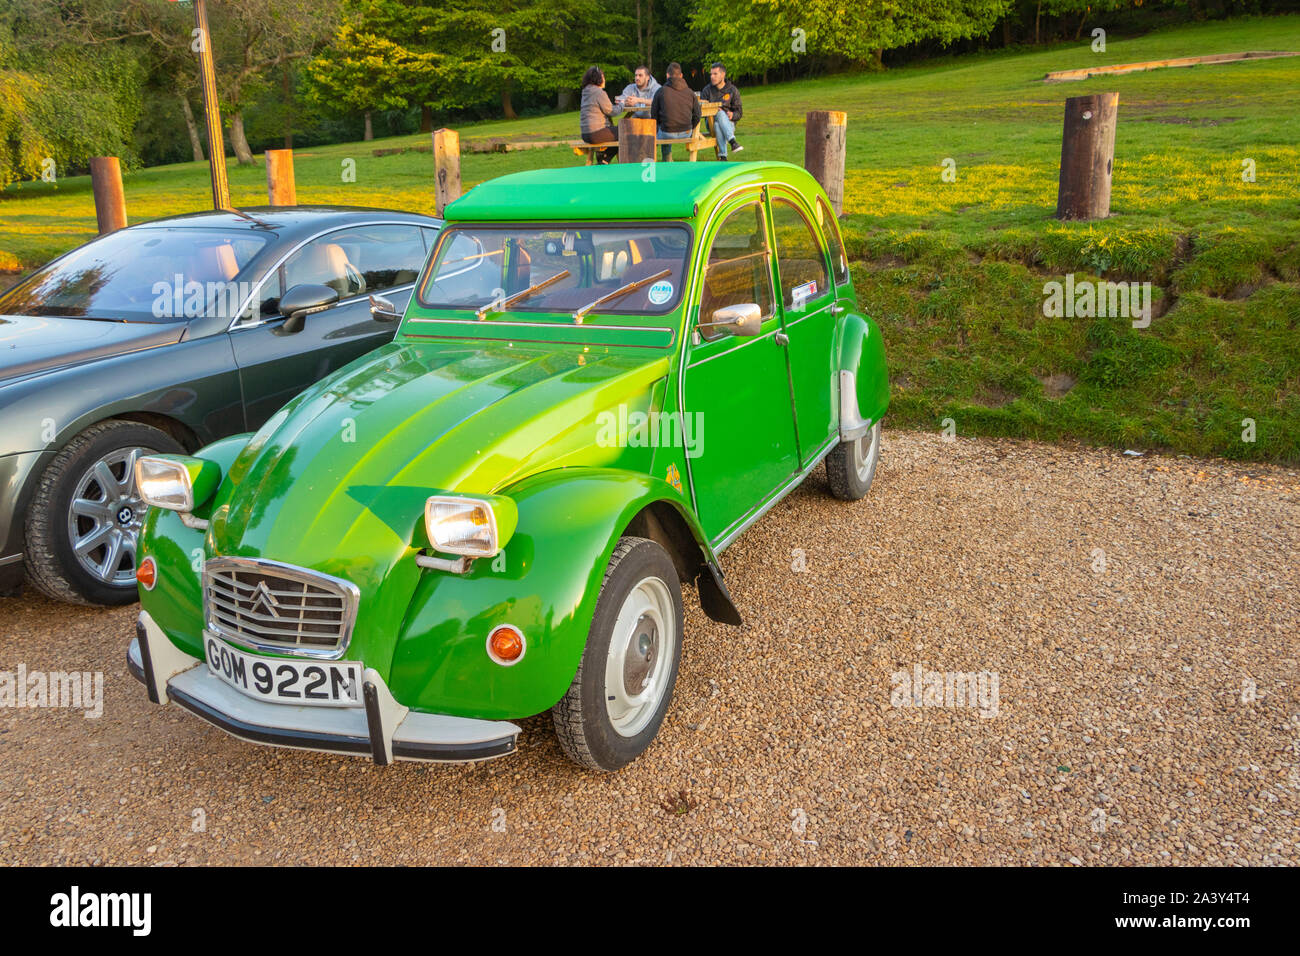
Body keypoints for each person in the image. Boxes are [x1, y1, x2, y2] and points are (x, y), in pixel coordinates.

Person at [649, 62, 700, 162]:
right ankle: (668, 161)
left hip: (667, 133)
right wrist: (691, 126)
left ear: (667, 75)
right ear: (681, 76)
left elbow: (653, 115)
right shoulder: (690, 92)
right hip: (686, 132)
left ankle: (666, 160)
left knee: (662, 128)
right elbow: (697, 115)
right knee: (664, 127)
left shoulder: (661, 91)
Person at [699, 61, 743, 159]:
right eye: (711, 74)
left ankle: (723, 157)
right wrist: (714, 110)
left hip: (729, 124)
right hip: (710, 123)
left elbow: (739, 112)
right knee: (719, 113)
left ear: (723, 75)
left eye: (715, 74)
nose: (712, 77)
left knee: (718, 124)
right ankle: (733, 142)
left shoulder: (732, 90)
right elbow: (700, 111)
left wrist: (732, 115)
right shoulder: (707, 90)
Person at [579, 66, 618, 164]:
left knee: (616, 130)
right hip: (595, 134)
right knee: (625, 130)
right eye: (603, 77)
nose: (605, 80)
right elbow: (611, 111)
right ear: (598, 79)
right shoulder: (598, 92)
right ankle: (605, 159)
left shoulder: (586, 91)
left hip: (585, 134)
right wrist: (622, 104)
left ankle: (603, 158)